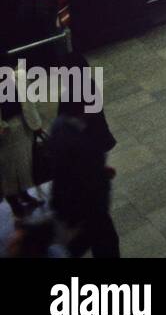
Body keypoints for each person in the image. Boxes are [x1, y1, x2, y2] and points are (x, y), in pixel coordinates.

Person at [47, 110, 119, 258]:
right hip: (86, 205)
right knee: (102, 241)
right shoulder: (75, 136)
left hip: (77, 207)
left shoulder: (61, 126)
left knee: (96, 240)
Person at [0, 60, 43, 218]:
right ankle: (14, 202)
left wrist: (36, 125)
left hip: (23, 124)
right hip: (4, 131)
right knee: (7, 169)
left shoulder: (18, 76)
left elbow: (29, 102)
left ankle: (24, 194)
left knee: (23, 162)